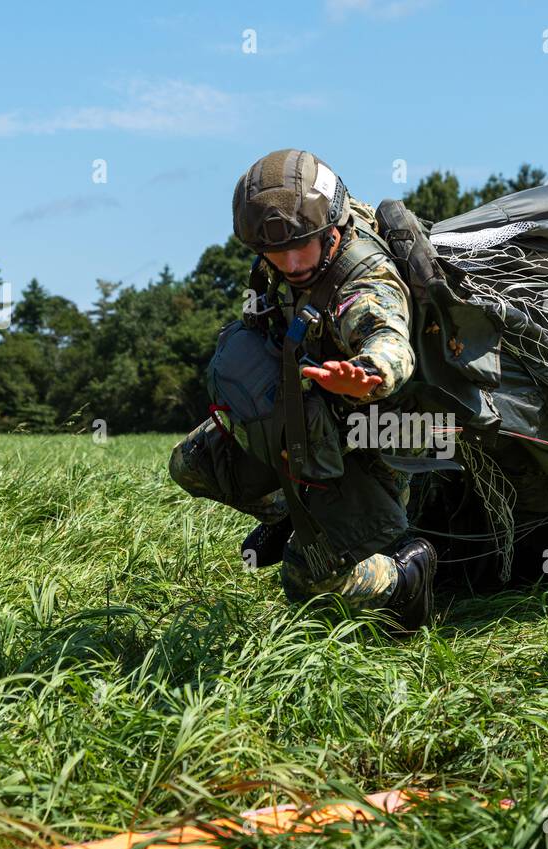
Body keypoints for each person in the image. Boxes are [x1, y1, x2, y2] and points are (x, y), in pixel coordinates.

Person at [169, 149, 437, 633]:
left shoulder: (366, 278)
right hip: (309, 421)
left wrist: (368, 374)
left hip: (375, 438)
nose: (291, 262)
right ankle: (296, 513)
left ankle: (405, 578)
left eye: (303, 246)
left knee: (305, 582)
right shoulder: (299, 239)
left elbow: (388, 337)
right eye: (277, 251)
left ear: (332, 229)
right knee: (194, 463)